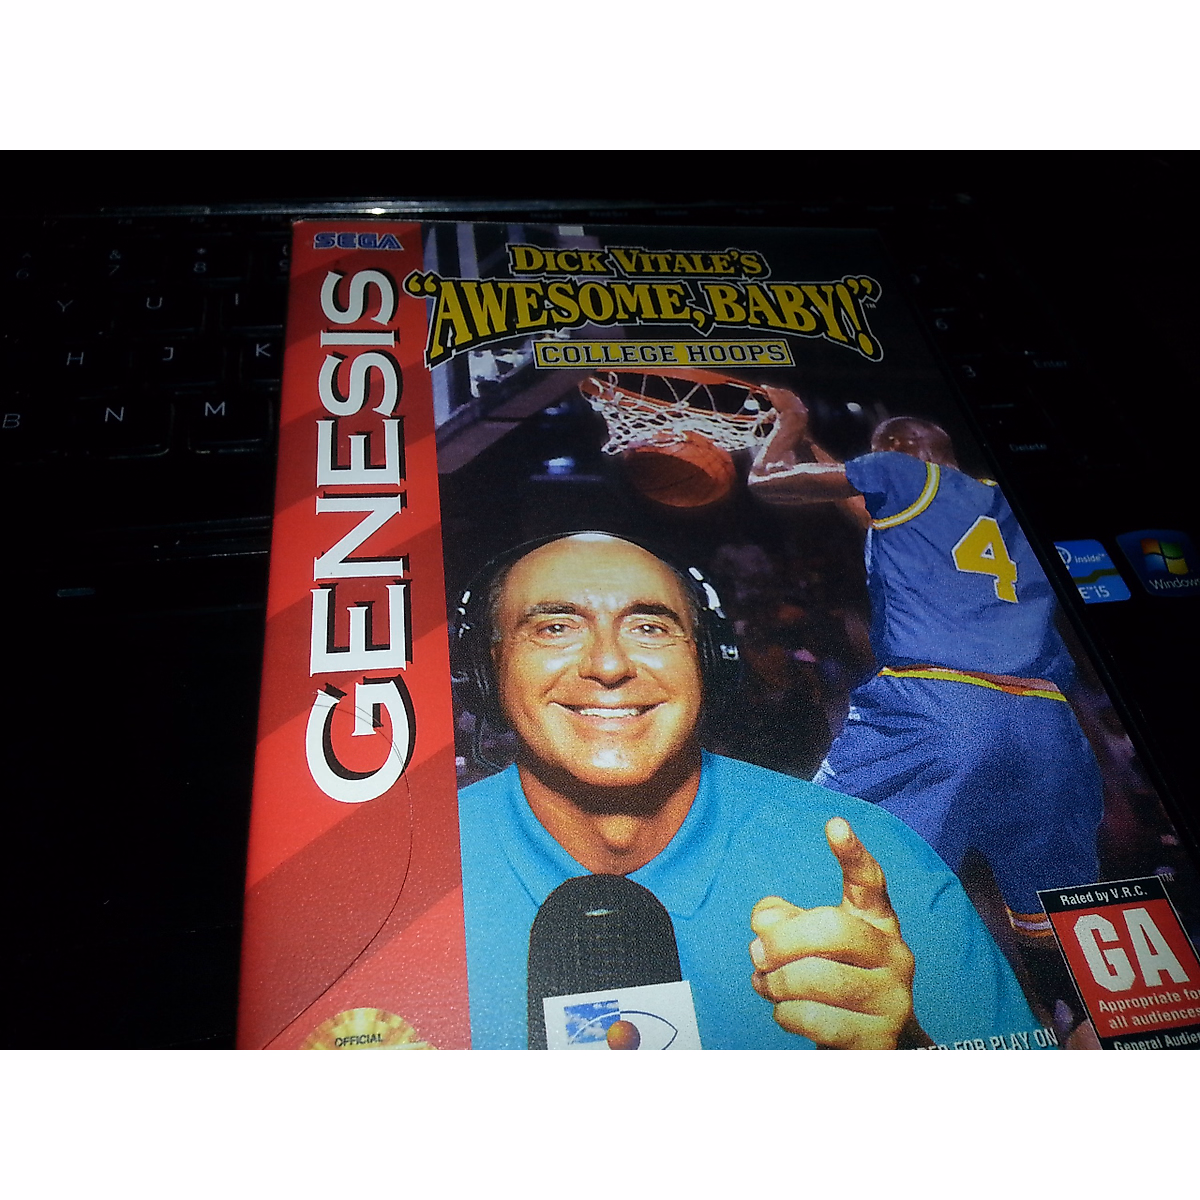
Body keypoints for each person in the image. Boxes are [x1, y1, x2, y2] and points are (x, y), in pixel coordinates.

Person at [452, 531, 1040, 1049]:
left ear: (710, 660)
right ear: (485, 666)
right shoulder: (416, 870)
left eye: (650, 627)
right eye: (554, 628)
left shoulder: (876, 857)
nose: (608, 665)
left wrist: (907, 1052)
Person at [746, 387, 1103, 1029]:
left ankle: (882, 1036)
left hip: (940, 704)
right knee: (1059, 914)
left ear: (892, 452)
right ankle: (1083, 1024)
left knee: (824, 860)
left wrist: (791, 423)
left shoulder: (897, 470)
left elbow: (769, 482)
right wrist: (820, 450)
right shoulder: (1004, 500)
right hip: (1044, 718)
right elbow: (869, 510)